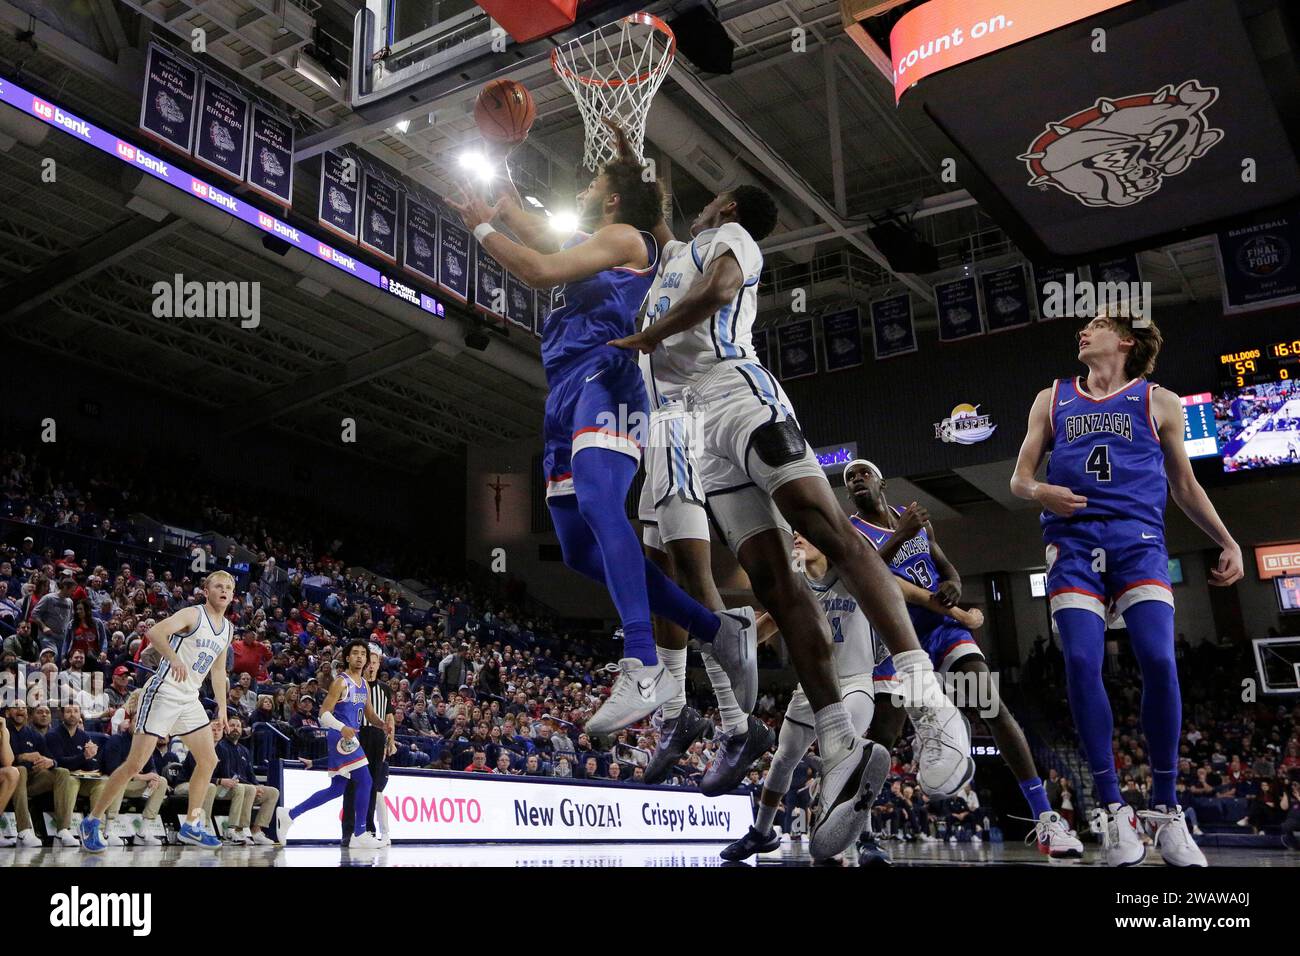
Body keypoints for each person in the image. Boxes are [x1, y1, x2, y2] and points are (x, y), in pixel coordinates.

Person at [599, 122, 969, 858]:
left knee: (824, 526)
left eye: (714, 202)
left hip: (738, 394)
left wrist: (647, 338)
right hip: (694, 433)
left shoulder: (733, 243)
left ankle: (930, 702)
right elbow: (660, 223)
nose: (702, 209)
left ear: (729, 207)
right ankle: (837, 745)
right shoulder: (675, 252)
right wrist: (628, 157)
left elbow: (718, 291)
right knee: (772, 583)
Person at [449, 143, 757, 736]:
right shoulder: (593, 241)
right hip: (565, 386)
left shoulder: (625, 239)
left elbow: (537, 270)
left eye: (594, 183)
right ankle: (719, 630)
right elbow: (542, 233)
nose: (585, 187)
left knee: (598, 504)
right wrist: (508, 209)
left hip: (608, 374)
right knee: (576, 549)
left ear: (613, 200)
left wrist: (482, 226)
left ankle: (641, 661)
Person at [1010, 309, 1243, 867]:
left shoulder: (1159, 401)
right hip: (1070, 542)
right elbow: (1019, 479)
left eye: (1095, 324)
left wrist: (1227, 540)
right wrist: (1042, 492)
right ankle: (1114, 811)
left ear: (1127, 341)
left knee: (1160, 660)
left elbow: (1183, 484)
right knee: (1081, 664)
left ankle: (1165, 810)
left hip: (1138, 538)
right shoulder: (1052, 396)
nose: (1082, 332)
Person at [843, 458, 1083, 859]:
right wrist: (901, 536)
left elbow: (944, 564)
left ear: (881, 482)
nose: (856, 481)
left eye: (863, 474)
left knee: (992, 705)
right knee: (882, 739)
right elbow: (862, 576)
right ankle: (864, 834)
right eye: (849, 478)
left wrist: (953, 584)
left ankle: (1046, 819)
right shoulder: (853, 530)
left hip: (942, 631)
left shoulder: (912, 516)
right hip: (895, 640)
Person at [79, 570, 237, 852]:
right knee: (135, 764)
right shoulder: (192, 614)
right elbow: (154, 632)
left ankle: (191, 825)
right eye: (218, 586)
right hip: (164, 691)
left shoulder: (227, 628)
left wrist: (223, 708)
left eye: (229, 587)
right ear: (207, 590)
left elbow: (218, 669)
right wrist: (174, 658)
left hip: (189, 698)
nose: (224, 590)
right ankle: (92, 820)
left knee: (209, 760)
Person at [277, 641, 386, 848]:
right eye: (355, 653)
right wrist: (341, 728)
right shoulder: (341, 682)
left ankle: (289, 814)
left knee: (336, 789)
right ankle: (360, 833)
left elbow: (369, 714)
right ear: (347, 657)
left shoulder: (364, 684)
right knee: (365, 781)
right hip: (341, 737)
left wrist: (382, 724)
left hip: (351, 737)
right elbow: (323, 714)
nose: (360, 657)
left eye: (363, 654)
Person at [4, 701, 79, 845]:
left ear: (27, 713)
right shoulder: (4, 730)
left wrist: (50, 762)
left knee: (62, 773)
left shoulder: (34, 735)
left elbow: (50, 757)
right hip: (8, 780)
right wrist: (21, 757)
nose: (20, 710)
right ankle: (24, 831)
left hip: (31, 781)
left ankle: (62, 829)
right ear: (7, 713)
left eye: (23, 708)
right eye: (15, 707)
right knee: (20, 770)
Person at [340, 648, 394, 847]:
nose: (371, 665)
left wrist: (391, 740)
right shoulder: (356, 685)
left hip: (377, 736)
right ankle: (348, 831)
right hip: (357, 733)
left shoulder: (385, 689)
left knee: (370, 785)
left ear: (379, 665)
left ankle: (367, 829)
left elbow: (389, 718)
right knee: (351, 784)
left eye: (375, 662)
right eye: (368, 662)